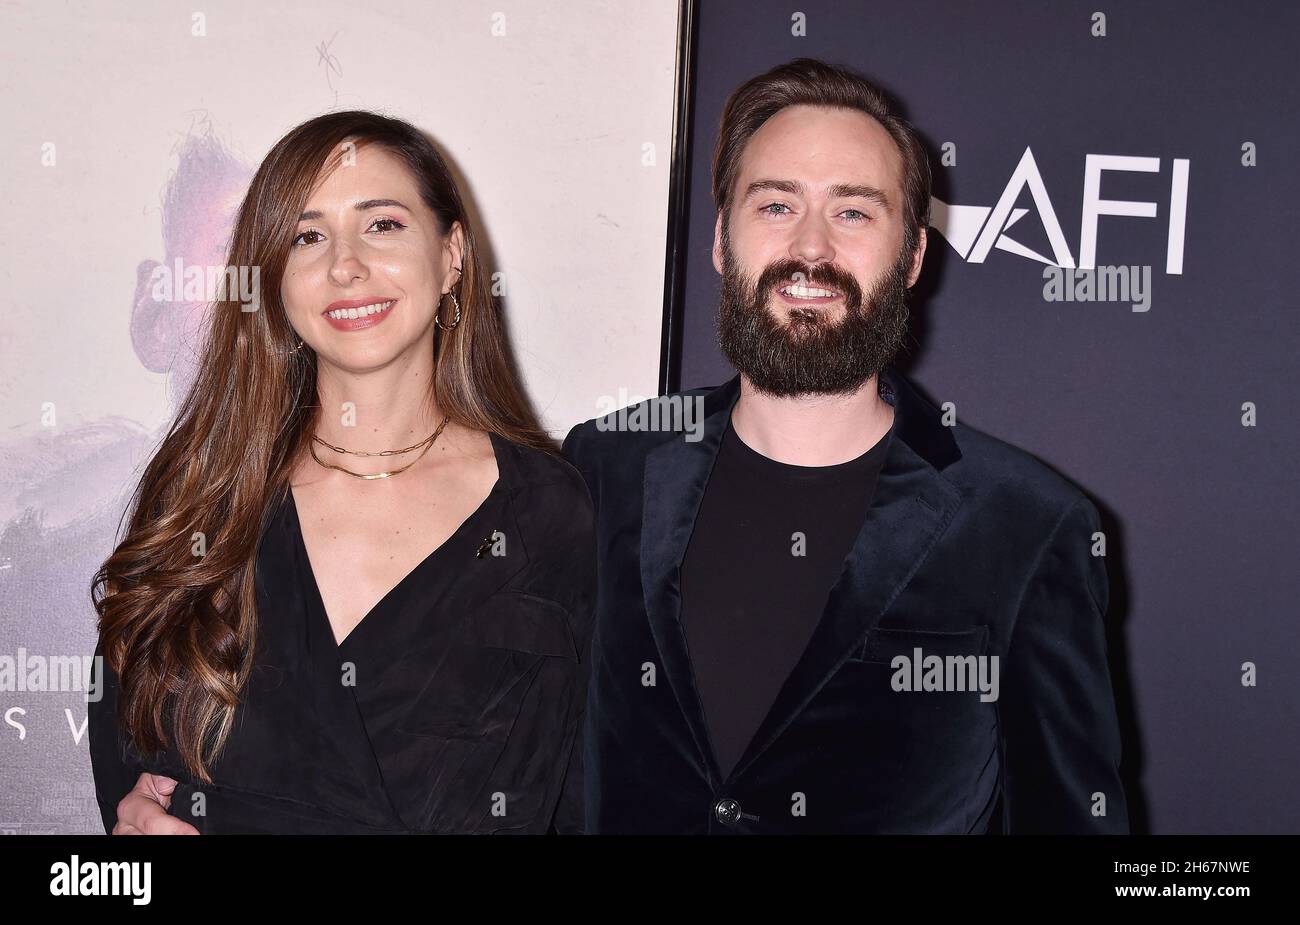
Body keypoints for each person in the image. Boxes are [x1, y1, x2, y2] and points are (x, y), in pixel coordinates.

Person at [562, 58, 1129, 833]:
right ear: (723, 241)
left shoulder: (1028, 526)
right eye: (775, 205)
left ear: (914, 258)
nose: (812, 249)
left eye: (855, 212)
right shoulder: (605, 466)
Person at [89, 111, 594, 834]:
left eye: (382, 224)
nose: (345, 265)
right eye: (307, 235)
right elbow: (123, 747)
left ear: (451, 254)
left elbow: (579, 797)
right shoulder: (201, 497)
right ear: (274, 277)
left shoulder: (548, 514)